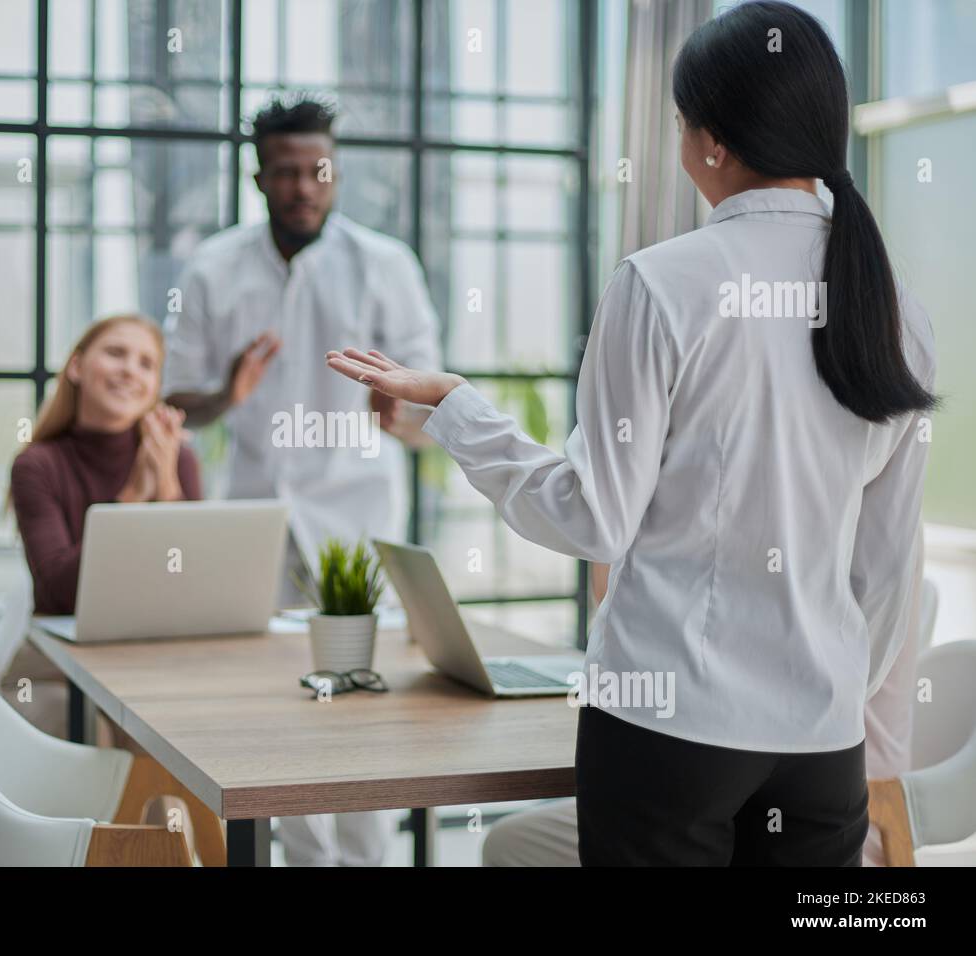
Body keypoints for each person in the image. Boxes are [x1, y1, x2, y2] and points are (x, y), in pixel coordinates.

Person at [328, 1, 935, 866]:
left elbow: (593, 521)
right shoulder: (897, 307)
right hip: (820, 746)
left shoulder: (659, 283)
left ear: (712, 143)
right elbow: (887, 563)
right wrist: (828, 685)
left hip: (669, 729)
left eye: (685, 126)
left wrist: (458, 407)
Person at [163, 95, 442, 866]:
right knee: (280, 719)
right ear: (259, 176)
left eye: (318, 170)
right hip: (256, 523)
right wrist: (230, 392)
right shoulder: (213, 266)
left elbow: (428, 409)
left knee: (362, 714)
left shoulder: (386, 265)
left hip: (358, 522)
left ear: (336, 172)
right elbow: (180, 401)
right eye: (285, 171)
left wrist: (398, 407)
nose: (303, 186)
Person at [480, 551, 930, 867]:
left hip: (855, 803)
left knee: (515, 843)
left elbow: (618, 595)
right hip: (829, 773)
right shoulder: (842, 526)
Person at [10, 314, 201, 616]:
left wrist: (166, 487)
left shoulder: (179, 459)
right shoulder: (37, 466)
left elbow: (195, 583)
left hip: (160, 636)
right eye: (115, 353)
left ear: (155, 388)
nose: (129, 371)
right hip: (65, 650)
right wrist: (132, 497)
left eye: (146, 364)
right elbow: (59, 595)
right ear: (76, 367)